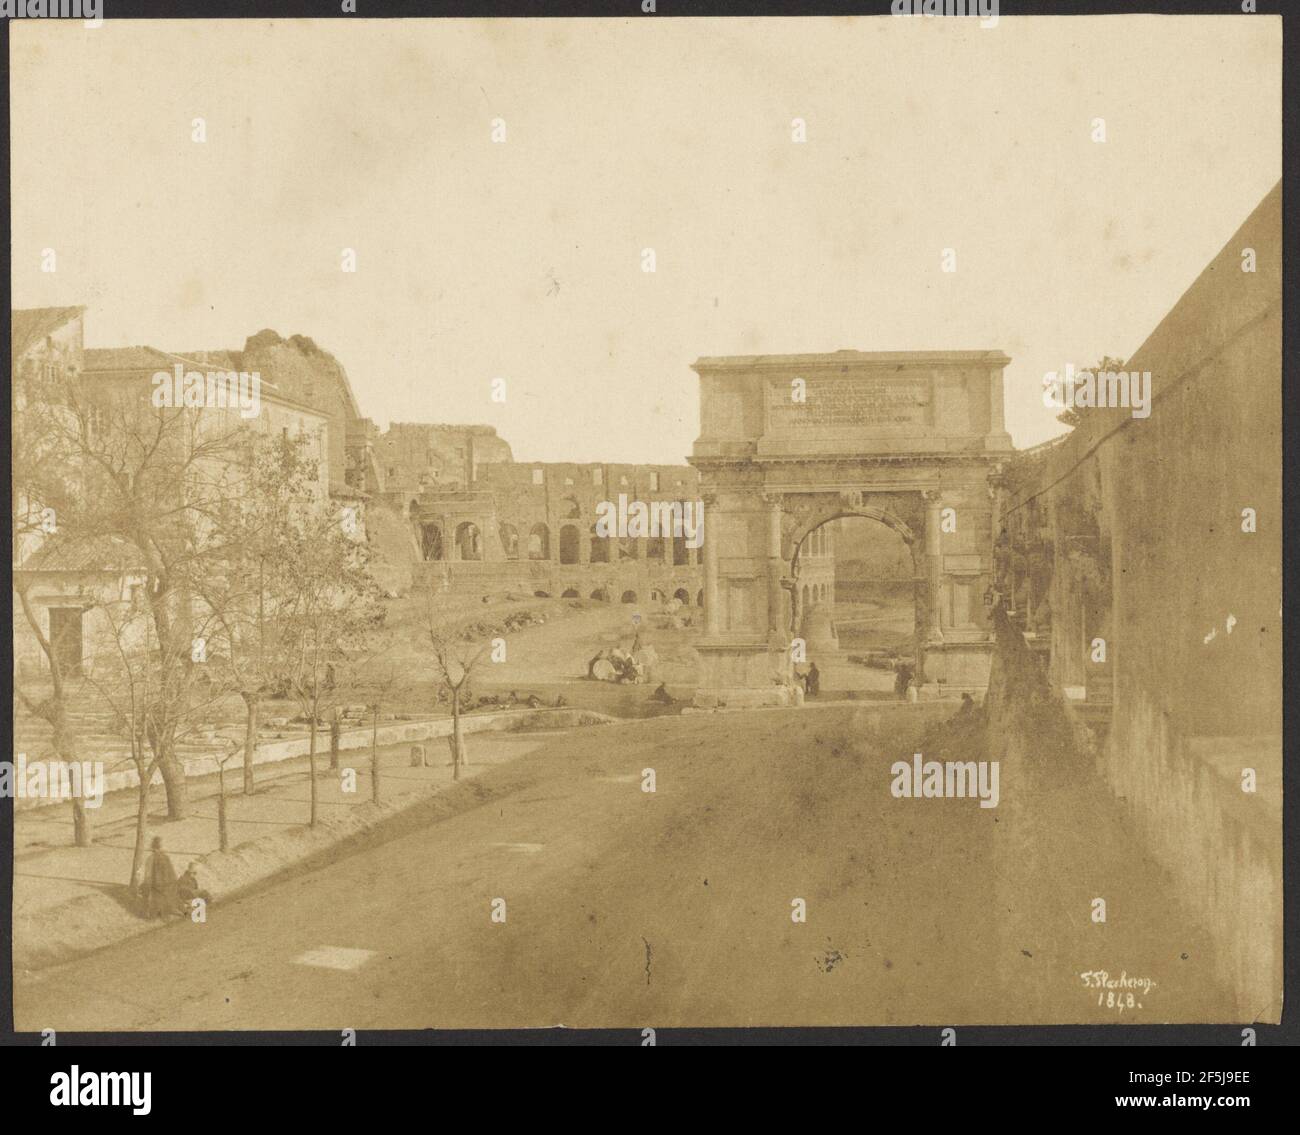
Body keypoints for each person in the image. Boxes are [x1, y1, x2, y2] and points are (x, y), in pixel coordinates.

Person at [140, 836, 179, 920]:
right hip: (161, 886)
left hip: (161, 886)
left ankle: (160, 914)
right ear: (159, 847)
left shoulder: (155, 858)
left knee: (160, 901)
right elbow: (171, 873)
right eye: (162, 846)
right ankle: (160, 914)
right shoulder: (157, 858)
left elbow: (148, 875)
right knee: (159, 901)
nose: (163, 849)